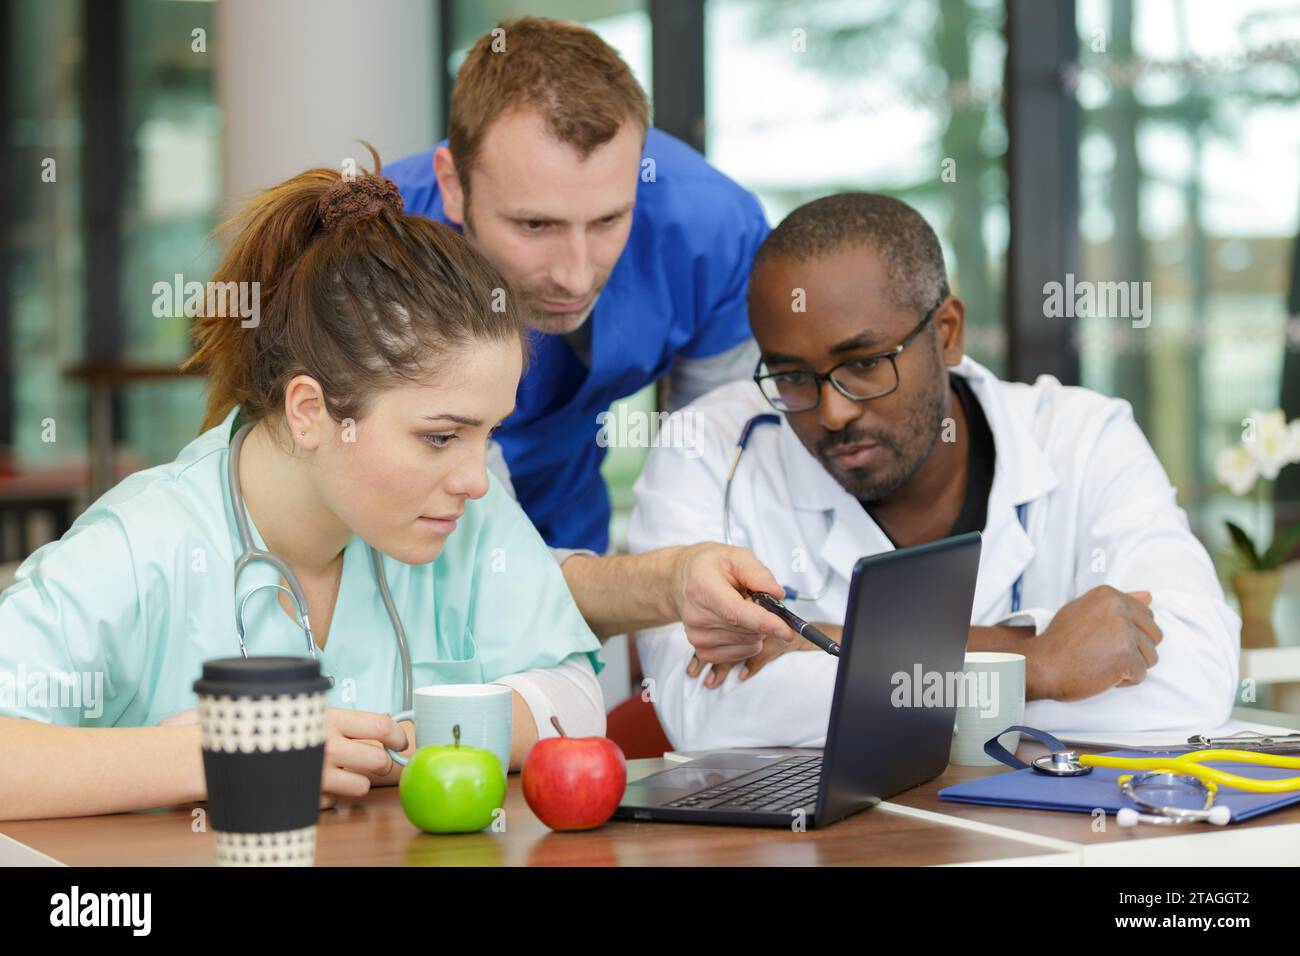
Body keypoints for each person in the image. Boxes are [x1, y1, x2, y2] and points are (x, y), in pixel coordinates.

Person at [0, 150, 604, 821]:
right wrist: (223, 752)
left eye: (488, 434)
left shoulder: (462, 521)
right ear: (311, 412)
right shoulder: (140, 550)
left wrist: (400, 743)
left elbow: (573, 698)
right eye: (439, 436)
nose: (475, 479)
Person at [629, 192, 1241, 752]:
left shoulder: (1082, 437)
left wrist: (835, 644)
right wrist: (1035, 664)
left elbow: (1196, 675)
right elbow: (705, 714)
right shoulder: (705, 446)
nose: (834, 411)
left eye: (865, 362)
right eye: (792, 377)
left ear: (946, 333)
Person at [385, 16, 798, 654]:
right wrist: (664, 585)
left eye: (609, 218)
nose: (576, 274)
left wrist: (701, 616)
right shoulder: (378, 254)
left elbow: (717, 467)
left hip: (580, 530)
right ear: (453, 185)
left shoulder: (709, 230)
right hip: (402, 558)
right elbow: (484, 567)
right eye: (534, 225)